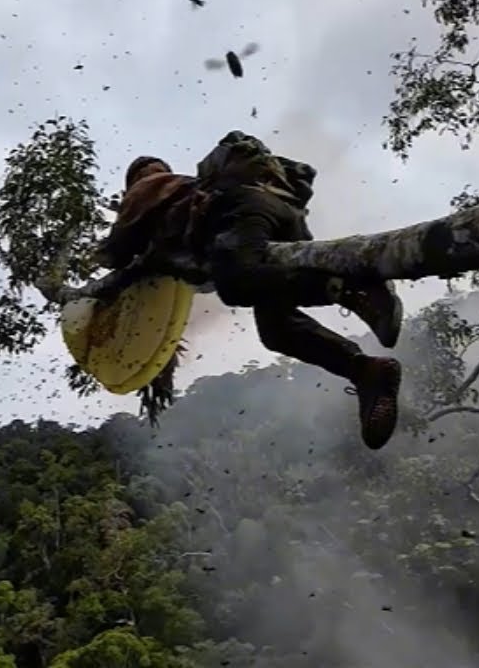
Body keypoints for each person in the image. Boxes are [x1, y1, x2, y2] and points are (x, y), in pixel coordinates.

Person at [94, 131, 405, 450]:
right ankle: (366, 371)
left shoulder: (149, 187)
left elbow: (113, 253)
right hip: (281, 216)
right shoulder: (184, 192)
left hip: (244, 212)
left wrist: (96, 261)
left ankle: (353, 287)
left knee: (237, 283)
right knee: (276, 330)